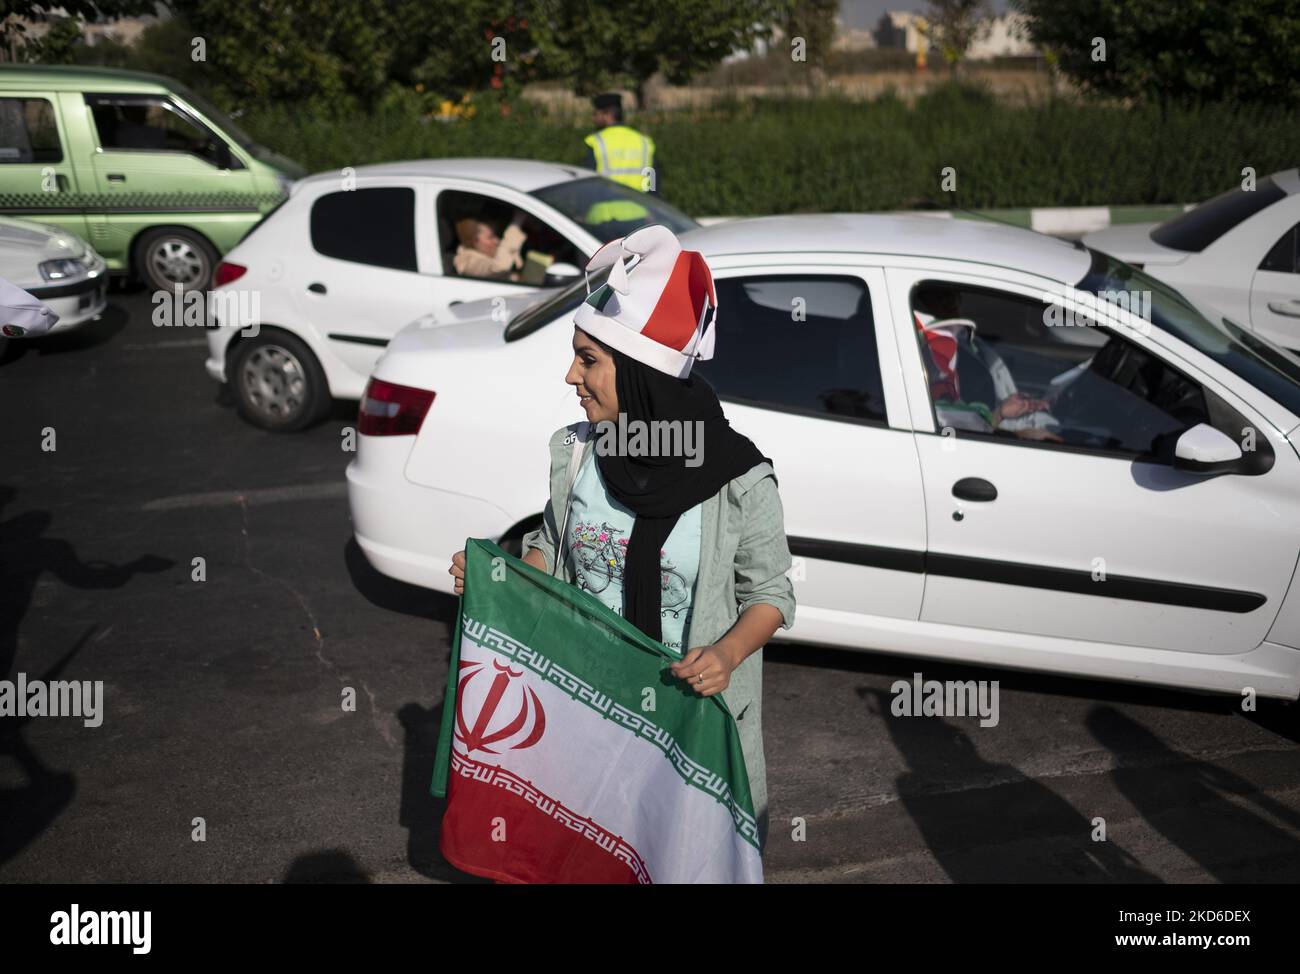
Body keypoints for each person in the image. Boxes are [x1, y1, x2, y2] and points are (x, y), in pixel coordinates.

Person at [448, 223, 795, 858]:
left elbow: (770, 594)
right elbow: (550, 550)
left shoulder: (739, 478)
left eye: (588, 360)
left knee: (678, 859)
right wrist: (506, 579)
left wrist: (726, 654)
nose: (569, 377)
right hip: (589, 715)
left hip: (688, 728)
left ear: (641, 376)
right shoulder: (579, 454)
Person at [913, 284, 1063, 442]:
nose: (954, 302)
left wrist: (1001, 413)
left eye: (954, 295)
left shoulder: (963, 343)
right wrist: (1018, 435)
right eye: (941, 297)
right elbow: (948, 427)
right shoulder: (925, 349)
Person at [584, 92, 660, 194]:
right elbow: (653, 184)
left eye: (596, 114)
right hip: (639, 207)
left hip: (605, 207)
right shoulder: (644, 142)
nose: (593, 118)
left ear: (607, 114)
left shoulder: (597, 142)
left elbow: (588, 184)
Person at [452, 210, 527, 281]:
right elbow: (500, 267)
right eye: (490, 237)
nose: (497, 241)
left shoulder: (482, 256)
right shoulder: (468, 262)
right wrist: (516, 224)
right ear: (475, 240)